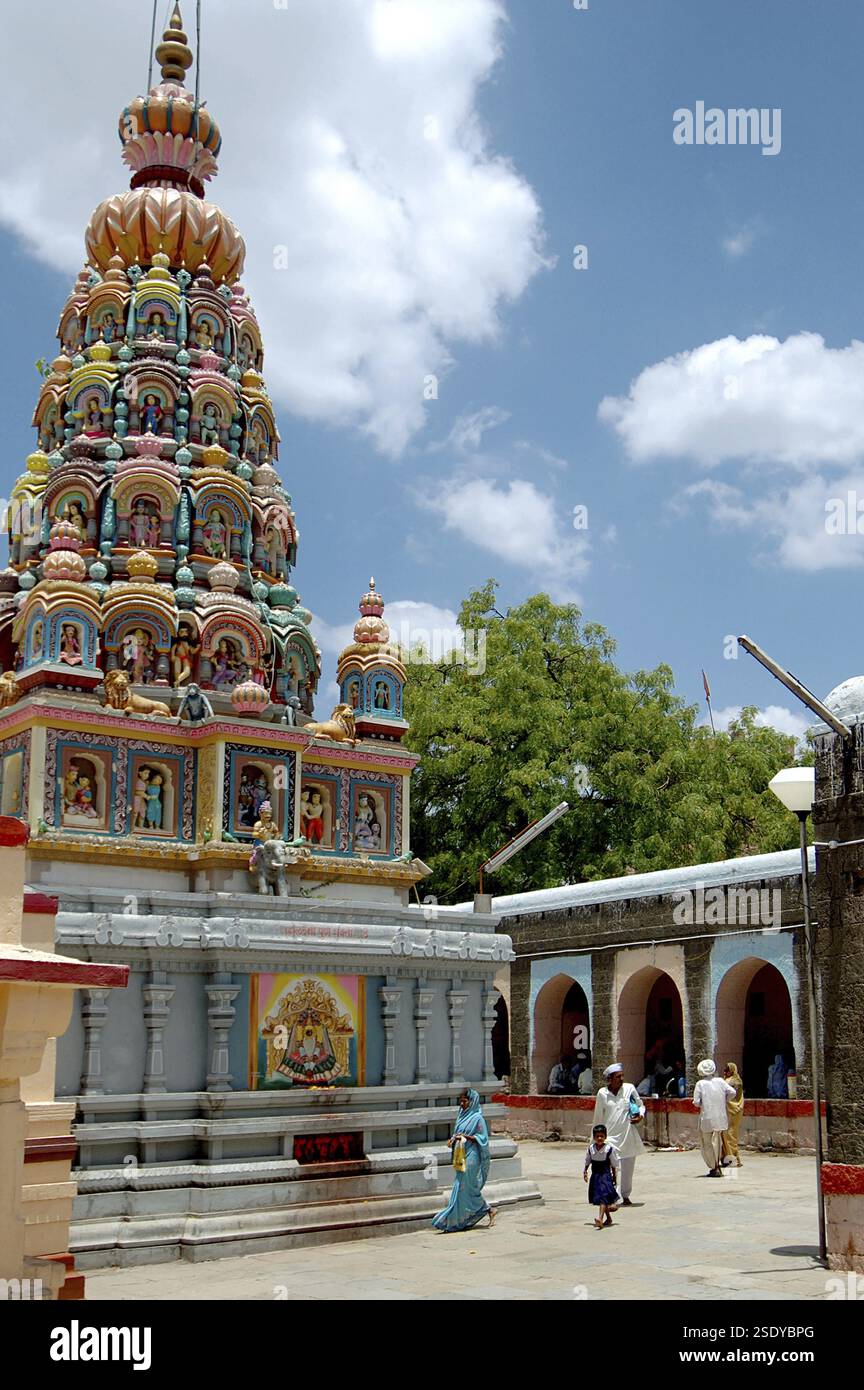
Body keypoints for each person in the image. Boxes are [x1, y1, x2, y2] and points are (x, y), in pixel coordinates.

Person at [432, 1088, 495, 1233]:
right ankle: (479, 1212)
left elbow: (483, 1138)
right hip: (461, 1155)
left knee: (465, 1187)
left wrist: (466, 1137)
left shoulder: (477, 1118)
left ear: (472, 1102)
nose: (461, 1104)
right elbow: (457, 1133)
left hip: (472, 1156)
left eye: (464, 1101)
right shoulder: (461, 1116)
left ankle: (477, 1212)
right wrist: (453, 1140)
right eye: (460, 1101)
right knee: (463, 1187)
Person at [592, 1063, 645, 1205]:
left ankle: (626, 1195)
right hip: (610, 1137)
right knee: (610, 1169)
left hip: (627, 1135)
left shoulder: (629, 1089)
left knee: (628, 1169)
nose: (621, 1079)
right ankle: (611, 1196)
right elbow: (598, 1117)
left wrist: (640, 1115)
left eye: (622, 1076)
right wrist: (595, 1140)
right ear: (610, 1079)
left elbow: (640, 1105)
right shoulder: (602, 1093)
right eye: (618, 1077)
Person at [692, 1059, 735, 1176]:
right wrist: (722, 1100)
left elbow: (696, 1102)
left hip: (707, 1117)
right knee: (717, 1142)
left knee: (707, 1143)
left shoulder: (700, 1084)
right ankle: (717, 1165)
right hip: (720, 1117)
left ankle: (714, 1167)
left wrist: (704, 1103)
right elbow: (732, 1092)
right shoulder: (720, 1081)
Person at [583, 1124, 621, 1229]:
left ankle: (600, 1218)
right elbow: (587, 1161)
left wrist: (614, 1177)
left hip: (605, 1175)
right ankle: (608, 1218)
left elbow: (613, 1164)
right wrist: (585, 1172)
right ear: (594, 1137)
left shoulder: (609, 1149)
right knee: (600, 1198)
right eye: (597, 1136)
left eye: (602, 1136)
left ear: (605, 1137)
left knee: (603, 1197)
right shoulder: (591, 1149)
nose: (599, 1138)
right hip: (595, 1175)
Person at [721, 1062, 745, 1168]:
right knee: (724, 1135)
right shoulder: (724, 1081)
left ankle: (734, 1158)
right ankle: (726, 1158)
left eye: (727, 1070)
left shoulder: (736, 1081)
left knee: (731, 1135)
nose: (725, 1072)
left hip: (734, 1111)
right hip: (725, 1112)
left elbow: (735, 1098)